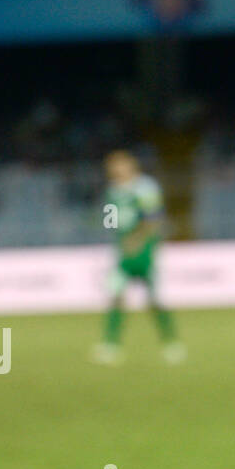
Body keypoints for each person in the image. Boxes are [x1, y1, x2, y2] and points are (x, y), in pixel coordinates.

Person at [93, 150, 184, 365]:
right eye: (112, 166)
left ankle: (171, 343)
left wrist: (137, 240)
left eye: (120, 165)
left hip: (144, 251)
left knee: (155, 299)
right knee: (116, 296)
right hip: (123, 251)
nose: (116, 170)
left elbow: (154, 220)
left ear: (131, 165)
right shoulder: (113, 191)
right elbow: (111, 223)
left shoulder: (145, 187)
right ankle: (110, 345)